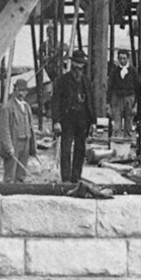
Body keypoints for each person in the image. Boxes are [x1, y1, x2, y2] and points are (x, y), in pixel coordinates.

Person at [52, 49, 96, 186]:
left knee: (80, 149)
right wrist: (56, 121)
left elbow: (91, 102)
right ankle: (65, 179)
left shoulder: (87, 82)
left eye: (80, 64)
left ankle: (76, 177)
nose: (78, 67)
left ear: (83, 65)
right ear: (72, 63)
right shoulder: (62, 81)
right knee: (65, 149)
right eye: (76, 63)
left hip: (82, 120)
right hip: (67, 120)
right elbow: (56, 102)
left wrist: (93, 122)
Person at [0, 76, 36, 184]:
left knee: (21, 173)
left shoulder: (27, 107)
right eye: (19, 90)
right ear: (15, 90)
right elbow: (4, 129)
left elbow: (31, 126)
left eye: (24, 91)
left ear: (27, 92)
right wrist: (9, 147)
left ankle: (19, 192)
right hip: (14, 143)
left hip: (26, 142)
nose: (21, 93)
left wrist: (33, 146)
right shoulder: (7, 107)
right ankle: (7, 194)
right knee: (10, 173)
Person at [108, 50, 137, 137]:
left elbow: (137, 88)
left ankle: (127, 138)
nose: (122, 61)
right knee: (117, 120)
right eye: (120, 58)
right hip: (117, 98)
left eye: (124, 58)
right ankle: (117, 138)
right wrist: (108, 103)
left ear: (128, 59)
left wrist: (136, 104)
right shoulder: (114, 71)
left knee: (128, 120)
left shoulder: (133, 71)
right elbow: (110, 87)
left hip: (129, 97)